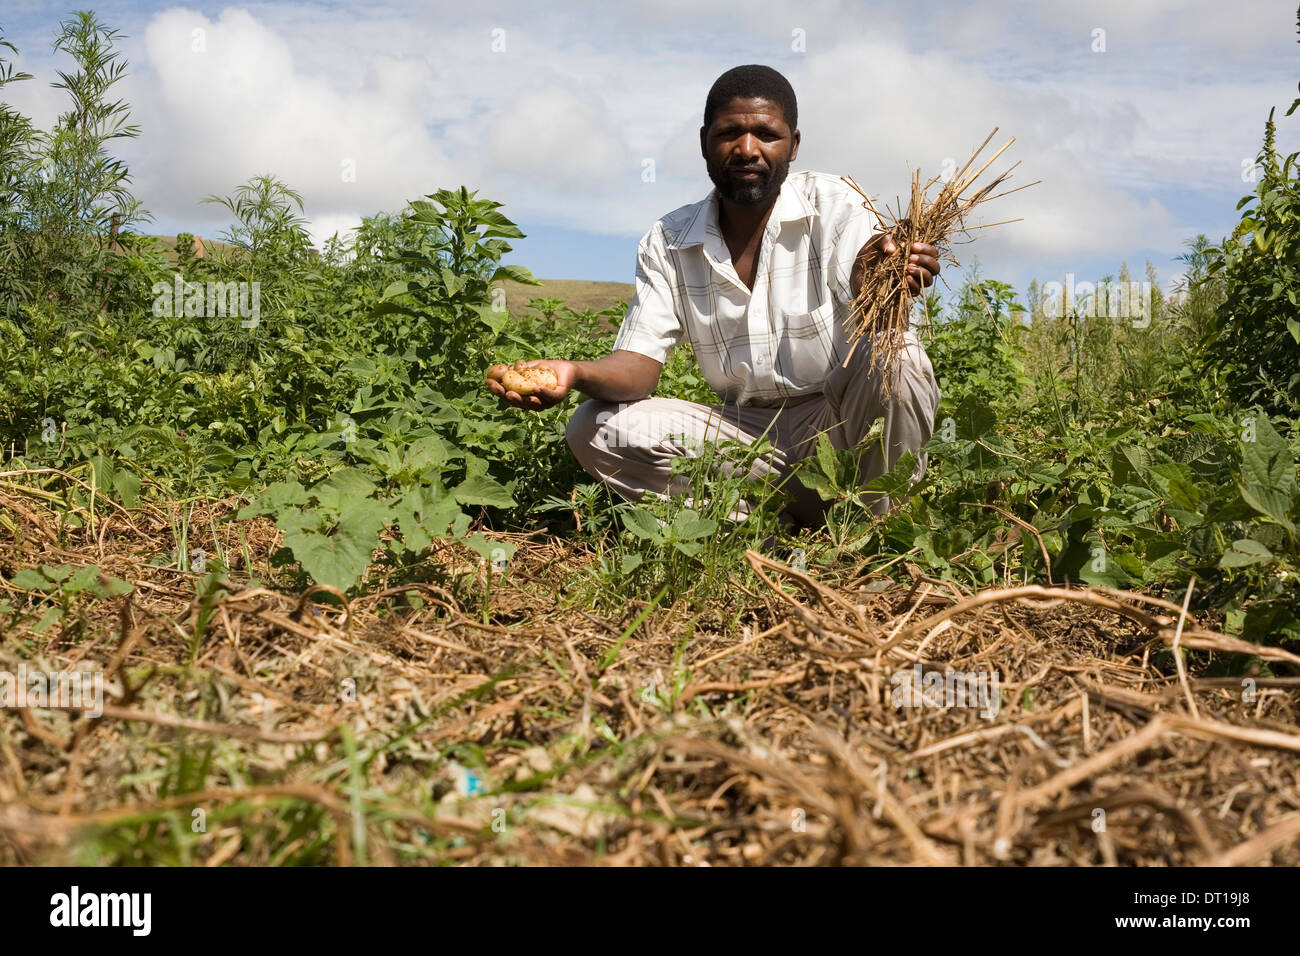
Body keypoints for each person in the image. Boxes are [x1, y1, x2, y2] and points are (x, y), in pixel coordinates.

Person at [486, 64, 941, 528]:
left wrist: (882, 280)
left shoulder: (836, 204)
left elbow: (871, 290)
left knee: (898, 358)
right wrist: (575, 372)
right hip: (744, 436)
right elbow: (637, 369)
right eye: (729, 133)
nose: (748, 149)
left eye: (766, 134)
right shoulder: (668, 239)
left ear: (794, 145)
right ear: (705, 141)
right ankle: (764, 526)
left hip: (837, 423)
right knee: (596, 428)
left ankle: (881, 527)